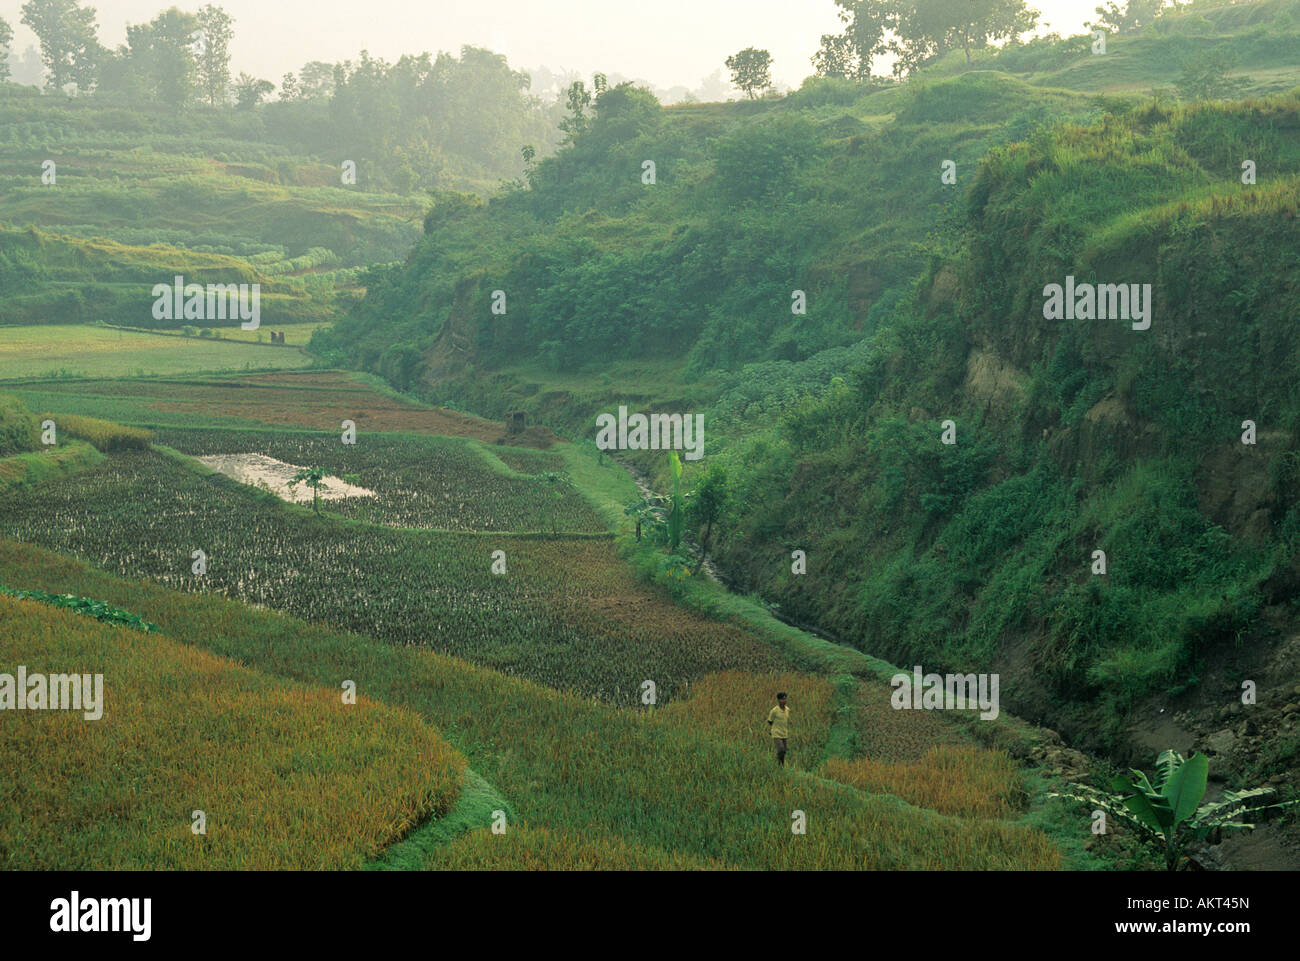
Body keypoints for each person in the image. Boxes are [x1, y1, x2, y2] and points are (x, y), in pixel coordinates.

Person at [766, 692, 790, 767]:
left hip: (784, 733)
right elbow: (770, 721)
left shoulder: (787, 709)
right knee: (781, 749)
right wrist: (774, 728)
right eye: (782, 699)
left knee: (784, 751)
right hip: (776, 733)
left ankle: (780, 764)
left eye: (785, 699)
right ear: (778, 700)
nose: (784, 701)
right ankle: (781, 765)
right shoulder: (774, 711)